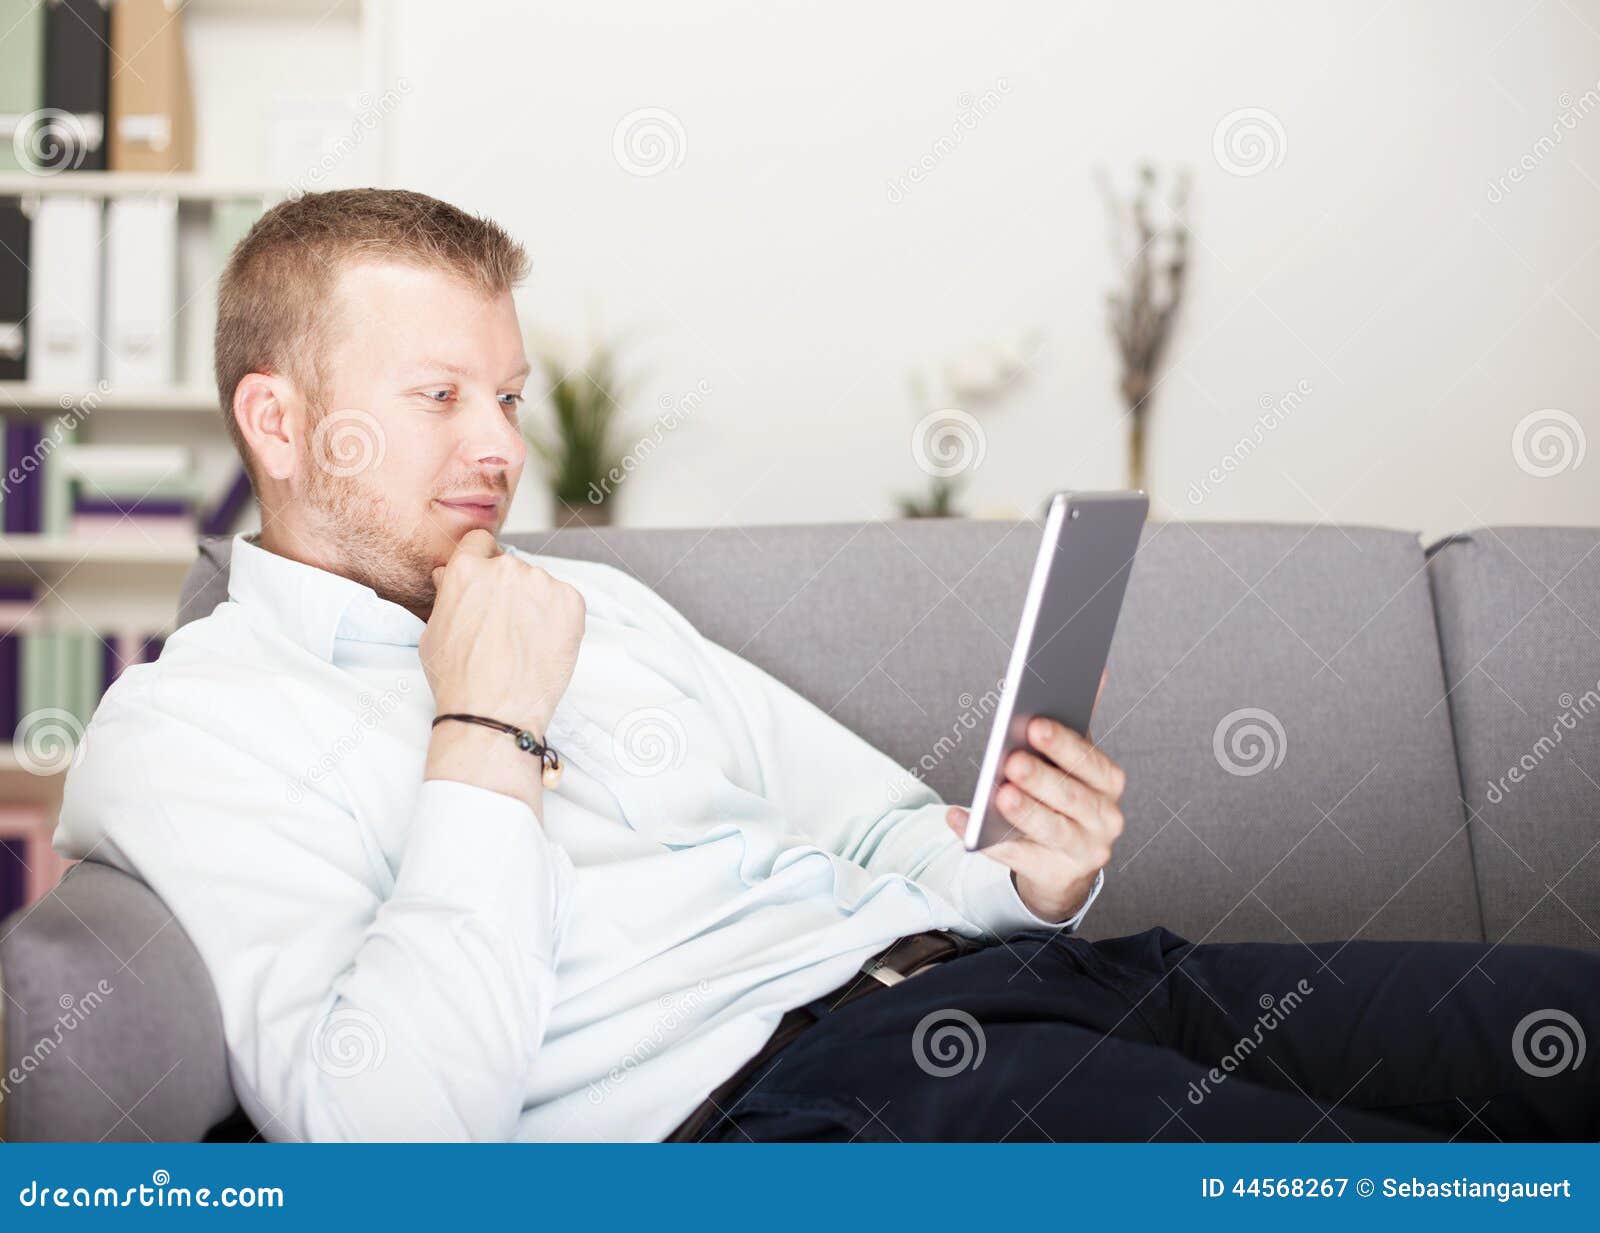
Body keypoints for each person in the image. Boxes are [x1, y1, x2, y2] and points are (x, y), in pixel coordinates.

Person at [56, 189, 1598, 1143]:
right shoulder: (195, 725)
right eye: (441, 392)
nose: (499, 448)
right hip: (835, 1110)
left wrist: (1022, 873)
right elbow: (389, 1136)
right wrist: (485, 723)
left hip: (1039, 988)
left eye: (511, 395)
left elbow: (874, 830)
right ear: (277, 420)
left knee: (1552, 1027)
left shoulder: (609, 611)